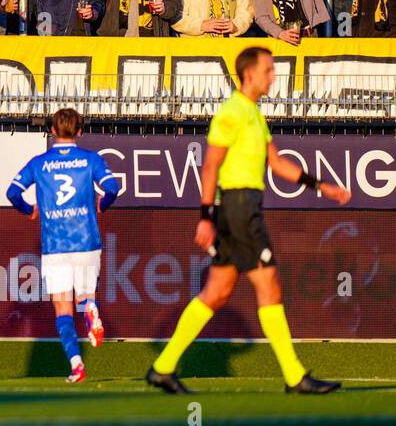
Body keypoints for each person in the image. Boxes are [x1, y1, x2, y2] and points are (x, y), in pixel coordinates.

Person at [147, 47, 350, 395]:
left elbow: (276, 162)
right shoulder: (232, 112)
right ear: (250, 74)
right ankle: (295, 376)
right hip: (238, 209)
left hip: (243, 209)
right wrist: (205, 217)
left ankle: (163, 368)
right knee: (269, 286)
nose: (273, 76)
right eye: (269, 70)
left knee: (216, 293)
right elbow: (210, 166)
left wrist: (321, 187)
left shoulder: (254, 114)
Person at [7, 107, 120, 383]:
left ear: (53, 131)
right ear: (80, 131)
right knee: (85, 298)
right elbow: (113, 188)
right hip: (86, 242)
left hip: (55, 245)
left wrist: (29, 209)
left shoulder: (39, 163)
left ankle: (76, 365)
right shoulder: (90, 160)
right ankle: (91, 309)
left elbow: (12, 193)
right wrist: (101, 205)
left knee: (62, 308)